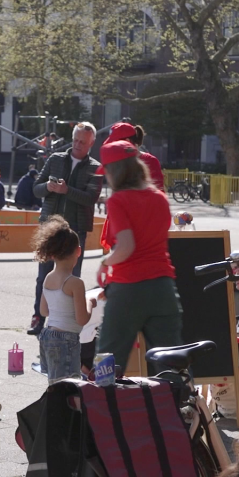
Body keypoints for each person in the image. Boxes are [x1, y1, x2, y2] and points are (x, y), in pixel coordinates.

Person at [96, 140, 182, 375]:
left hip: (128, 288)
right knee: (172, 364)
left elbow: (126, 247)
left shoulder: (118, 201)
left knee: (108, 362)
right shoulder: (159, 198)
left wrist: (104, 262)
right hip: (163, 286)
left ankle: (104, 409)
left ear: (114, 172)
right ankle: (179, 409)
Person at [29, 122, 103, 336]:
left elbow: (91, 198)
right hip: (50, 228)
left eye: (83, 142)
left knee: (72, 277)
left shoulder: (94, 167)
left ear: (91, 143)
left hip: (75, 229)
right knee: (44, 275)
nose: (78, 145)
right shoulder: (55, 159)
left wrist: (66, 190)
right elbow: (36, 189)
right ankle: (38, 317)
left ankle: (70, 321)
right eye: (76, 140)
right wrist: (48, 188)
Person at [33, 215, 96, 382]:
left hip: (47, 335)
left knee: (55, 382)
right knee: (68, 385)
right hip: (66, 340)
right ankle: (58, 408)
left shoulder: (48, 278)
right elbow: (82, 319)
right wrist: (90, 303)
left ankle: (53, 406)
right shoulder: (75, 283)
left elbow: (43, 311)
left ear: (52, 254)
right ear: (78, 251)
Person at [104, 122, 165, 191]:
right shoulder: (118, 163)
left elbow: (158, 192)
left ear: (127, 142)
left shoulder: (150, 161)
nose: (113, 149)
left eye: (115, 145)